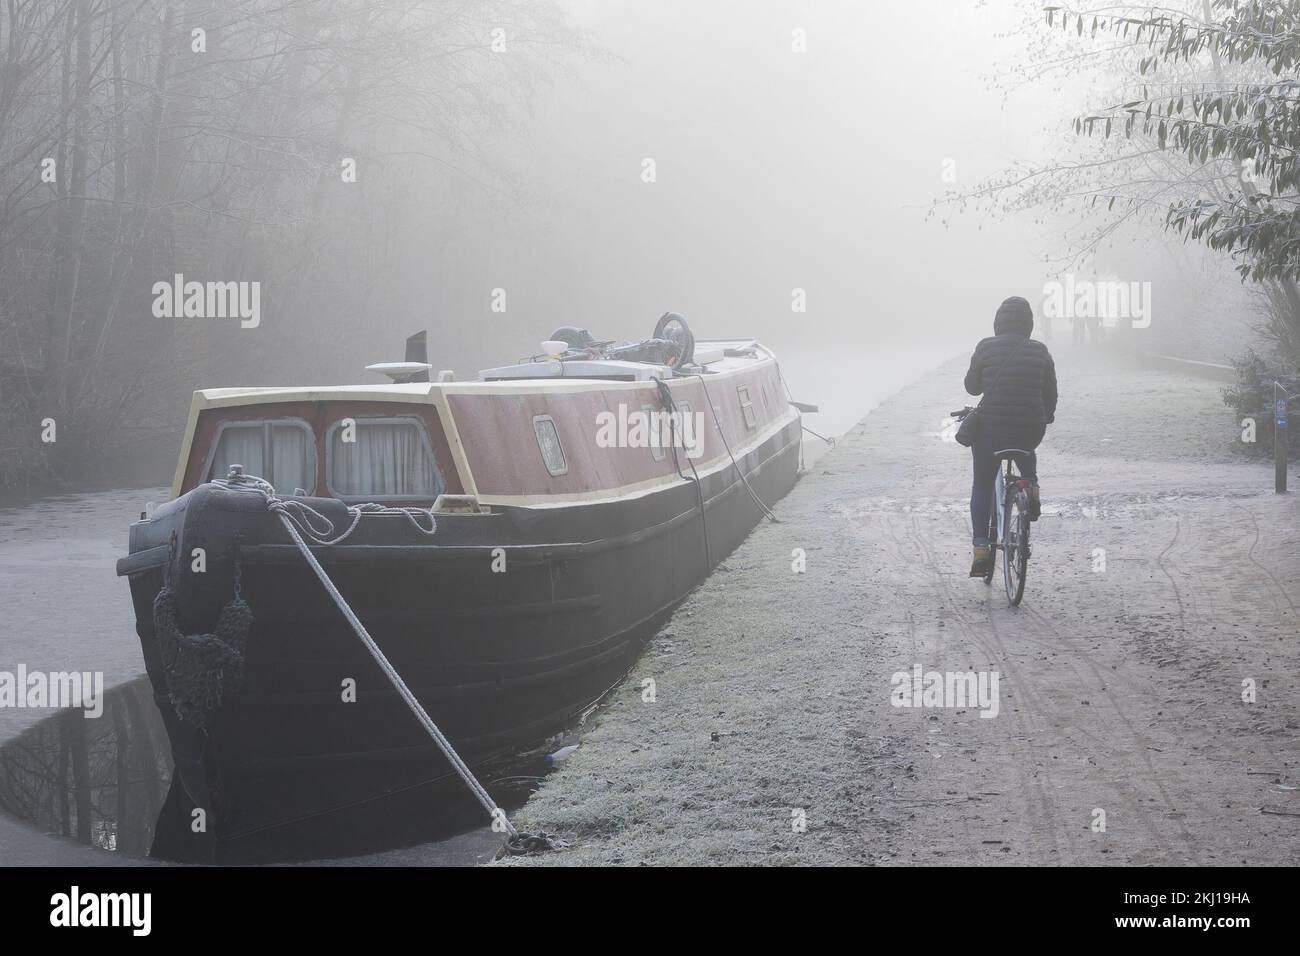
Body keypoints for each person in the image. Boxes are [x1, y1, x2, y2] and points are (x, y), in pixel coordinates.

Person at [963, 296, 1058, 577]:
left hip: (991, 431)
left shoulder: (985, 347)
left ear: (998, 322)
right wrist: (1046, 415)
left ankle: (981, 548)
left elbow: (971, 387)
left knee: (981, 485)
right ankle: (1031, 489)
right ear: (1029, 324)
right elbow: (1050, 393)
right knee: (1026, 447)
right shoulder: (1040, 351)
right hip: (1030, 427)